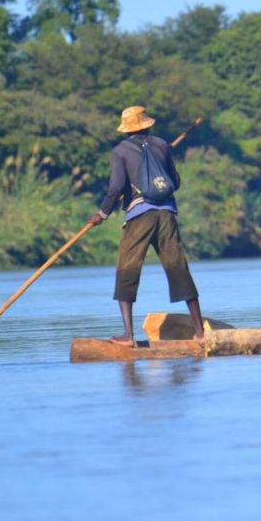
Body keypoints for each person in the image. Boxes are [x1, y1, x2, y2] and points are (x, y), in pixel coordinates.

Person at [87, 106, 205, 347]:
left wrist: (102, 213)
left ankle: (128, 336)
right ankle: (200, 333)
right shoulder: (161, 144)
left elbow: (116, 186)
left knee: (127, 269)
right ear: (148, 125)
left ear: (127, 129)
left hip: (140, 216)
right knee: (178, 267)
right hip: (167, 214)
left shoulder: (120, 151)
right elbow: (176, 182)